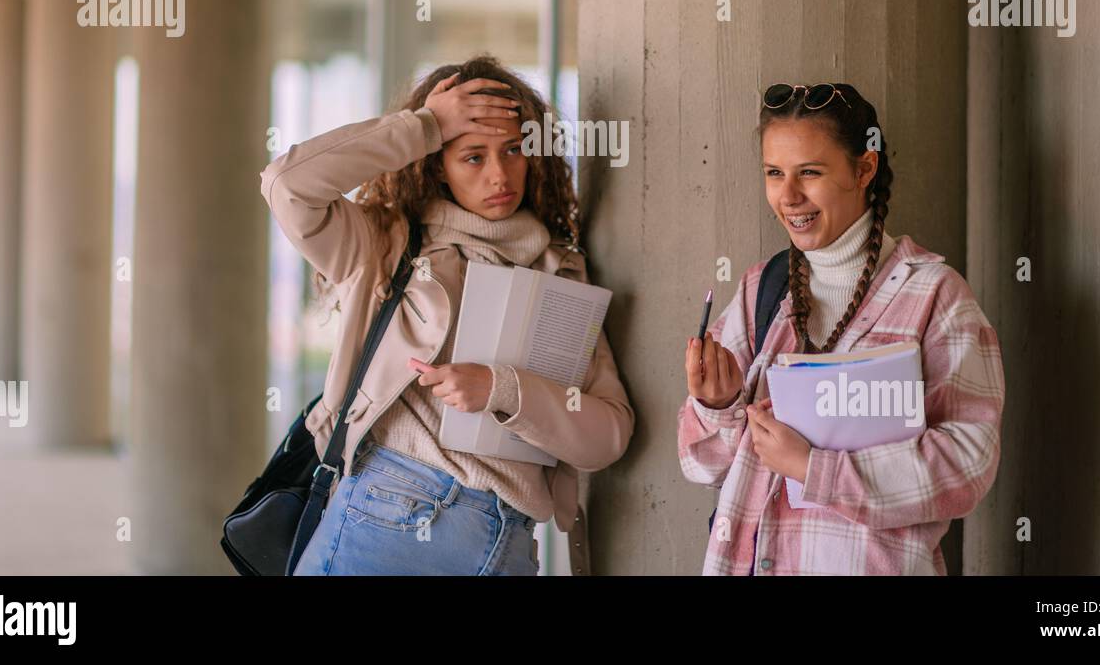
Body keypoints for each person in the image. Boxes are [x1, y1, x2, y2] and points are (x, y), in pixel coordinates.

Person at [262, 55, 634, 575]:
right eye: (473, 157)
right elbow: (288, 186)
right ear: (437, 163)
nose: (500, 175)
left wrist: (504, 390)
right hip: (387, 515)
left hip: (508, 540)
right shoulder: (380, 244)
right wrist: (425, 126)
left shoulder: (560, 271)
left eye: (512, 150)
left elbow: (608, 435)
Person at [677, 82, 1005, 574]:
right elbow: (701, 467)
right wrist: (719, 406)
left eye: (810, 172)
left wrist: (814, 470)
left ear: (864, 168)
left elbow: (967, 465)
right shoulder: (760, 289)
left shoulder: (935, 296)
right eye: (774, 173)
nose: (788, 196)